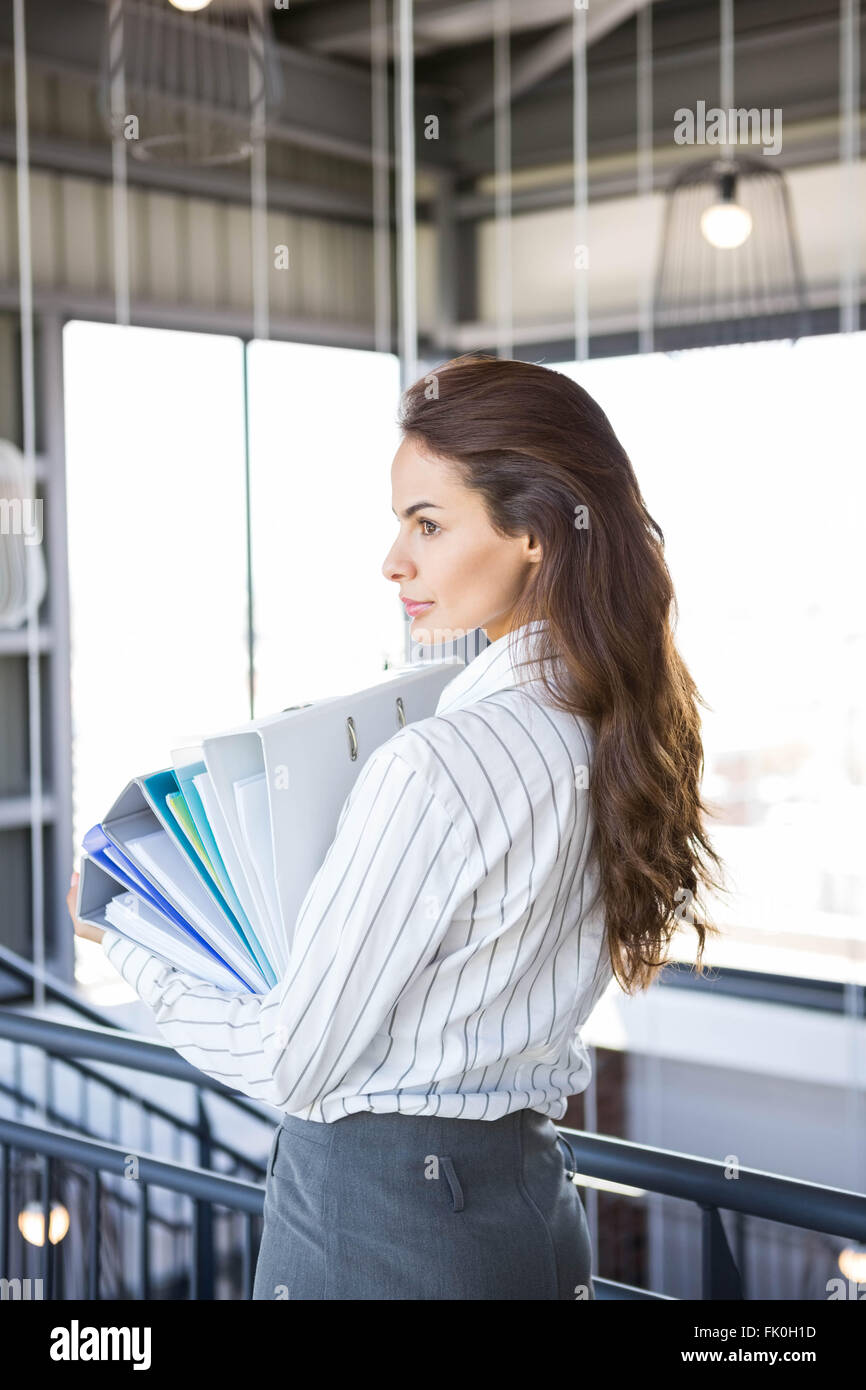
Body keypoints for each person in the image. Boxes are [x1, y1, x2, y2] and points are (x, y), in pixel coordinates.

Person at [68, 353, 724, 1300]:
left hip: (378, 1225)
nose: (393, 562)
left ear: (536, 532)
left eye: (428, 523)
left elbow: (287, 1062)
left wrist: (124, 928)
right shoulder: (613, 720)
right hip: (531, 1207)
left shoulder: (434, 759)